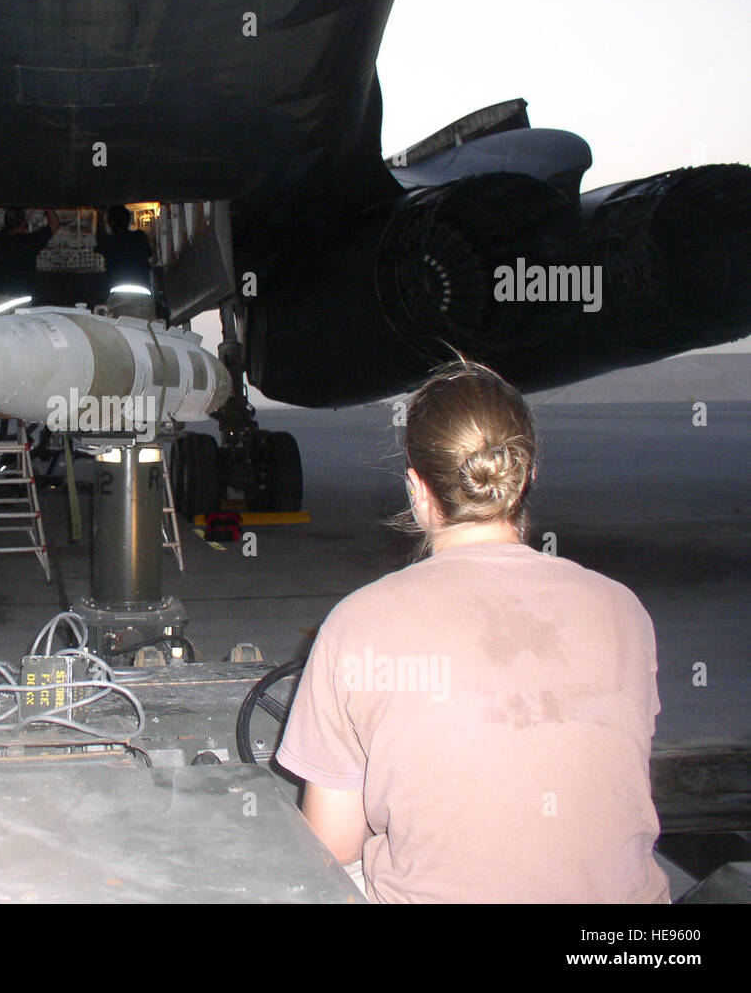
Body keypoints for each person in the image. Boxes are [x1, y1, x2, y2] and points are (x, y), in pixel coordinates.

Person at [276, 360, 670, 904]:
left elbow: (332, 844)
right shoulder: (623, 609)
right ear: (525, 474)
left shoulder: (358, 622)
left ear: (416, 489)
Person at [0, 207, 60, 299]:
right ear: (23, 223)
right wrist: (47, 205)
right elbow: (54, 225)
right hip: (21, 296)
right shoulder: (29, 242)